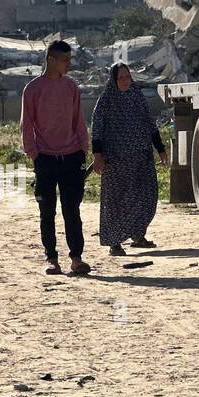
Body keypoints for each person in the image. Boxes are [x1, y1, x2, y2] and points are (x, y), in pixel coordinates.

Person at [21, 40, 91, 276]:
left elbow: (78, 120)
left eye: (70, 60)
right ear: (51, 60)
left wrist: (83, 148)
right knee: (47, 211)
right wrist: (33, 153)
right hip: (45, 159)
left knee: (72, 210)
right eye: (65, 60)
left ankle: (76, 258)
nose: (68, 65)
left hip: (71, 157)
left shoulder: (71, 87)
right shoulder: (33, 89)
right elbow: (26, 124)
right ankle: (52, 258)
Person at [91, 63, 168, 256]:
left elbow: (149, 123)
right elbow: (97, 129)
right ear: (114, 80)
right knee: (115, 202)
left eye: (127, 77)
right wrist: (97, 155)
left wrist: (160, 149)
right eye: (121, 78)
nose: (125, 81)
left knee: (145, 196)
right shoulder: (107, 100)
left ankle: (138, 235)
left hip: (141, 158)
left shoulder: (136, 96)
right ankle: (114, 242)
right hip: (115, 161)